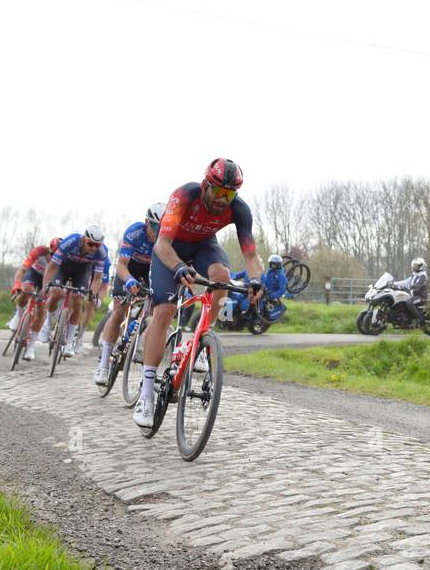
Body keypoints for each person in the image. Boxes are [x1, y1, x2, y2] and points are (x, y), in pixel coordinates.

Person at [133, 159, 264, 427]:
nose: (222, 200)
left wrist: (255, 281)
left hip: (204, 246)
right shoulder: (184, 196)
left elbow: (250, 254)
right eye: (217, 192)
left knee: (221, 278)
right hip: (169, 250)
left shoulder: (239, 210)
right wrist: (178, 266)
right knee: (165, 311)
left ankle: (201, 340)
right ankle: (146, 393)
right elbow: (162, 243)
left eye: (229, 194)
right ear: (206, 185)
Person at [94, 204, 164, 386]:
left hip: (150, 271)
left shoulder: (165, 238)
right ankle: (103, 364)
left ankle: (140, 343)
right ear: (147, 222)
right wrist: (130, 280)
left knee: (156, 311)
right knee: (119, 312)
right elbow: (121, 265)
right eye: (155, 226)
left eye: (162, 227)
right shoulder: (135, 232)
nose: (157, 231)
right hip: (129, 268)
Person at [38, 227, 108, 358]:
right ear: (83, 239)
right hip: (63, 268)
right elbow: (52, 267)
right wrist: (45, 286)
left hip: (82, 272)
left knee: (78, 301)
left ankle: (69, 342)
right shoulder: (71, 241)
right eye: (91, 244)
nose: (94, 248)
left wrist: (92, 294)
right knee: (55, 293)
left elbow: (97, 278)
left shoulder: (101, 252)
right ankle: (48, 323)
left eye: (97, 245)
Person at [10, 238, 60, 360]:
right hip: (33, 274)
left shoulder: (61, 261)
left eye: (56, 257)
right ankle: (19, 314)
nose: (52, 259)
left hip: (47, 280)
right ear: (49, 250)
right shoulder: (39, 251)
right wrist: (17, 285)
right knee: (26, 290)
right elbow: (22, 270)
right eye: (52, 255)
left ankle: (31, 345)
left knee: (41, 309)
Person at [390, 257, 428, 326]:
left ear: (421, 266)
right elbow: (406, 282)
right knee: (402, 302)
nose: (414, 267)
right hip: (413, 296)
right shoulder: (414, 274)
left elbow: (418, 286)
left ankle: (420, 318)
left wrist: (408, 288)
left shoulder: (423, 275)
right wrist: (394, 283)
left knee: (409, 302)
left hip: (421, 297)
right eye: (413, 266)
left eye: (416, 266)